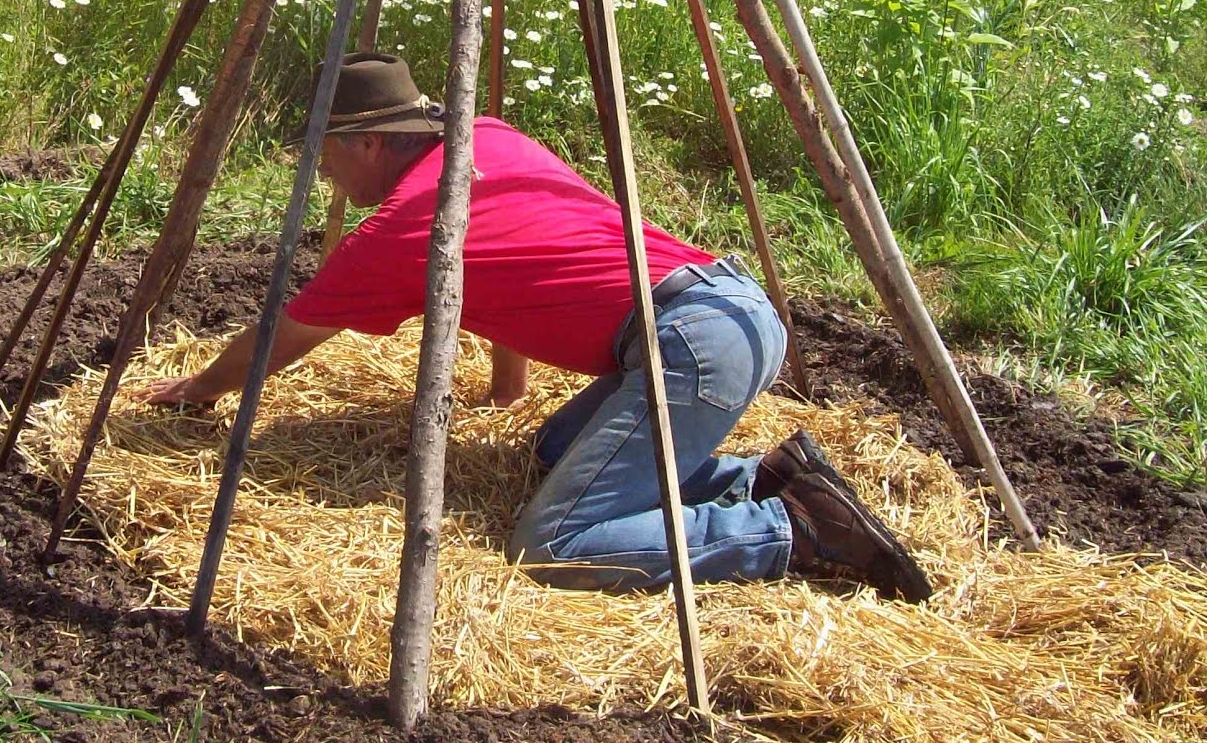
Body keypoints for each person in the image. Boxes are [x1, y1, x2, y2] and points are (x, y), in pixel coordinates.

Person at [147, 53, 931, 601]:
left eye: (323, 154)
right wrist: (507, 389)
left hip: (686, 343)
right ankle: (763, 477)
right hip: (729, 306)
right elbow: (509, 266)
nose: (320, 173)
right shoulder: (485, 139)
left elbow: (284, 335)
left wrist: (200, 389)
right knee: (554, 452)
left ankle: (793, 532)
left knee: (554, 549)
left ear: (368, 143)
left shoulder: (396, 233)